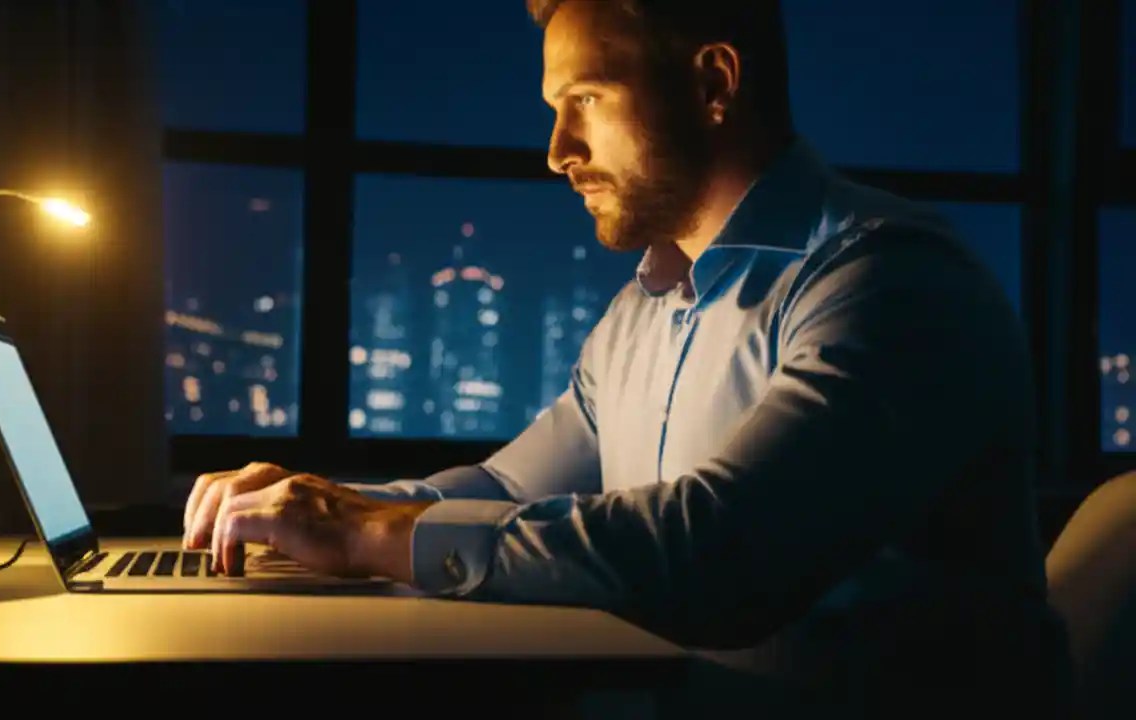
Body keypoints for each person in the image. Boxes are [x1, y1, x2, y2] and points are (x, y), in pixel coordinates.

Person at [183, 0, 1071, 715]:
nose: (558, 152)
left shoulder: (890, 284)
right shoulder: (644, 311)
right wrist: (313, 507)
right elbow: (504, 492)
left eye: (589, 102)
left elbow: (718, 556)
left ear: (714, 83)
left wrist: (361, 534)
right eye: (554, 112)